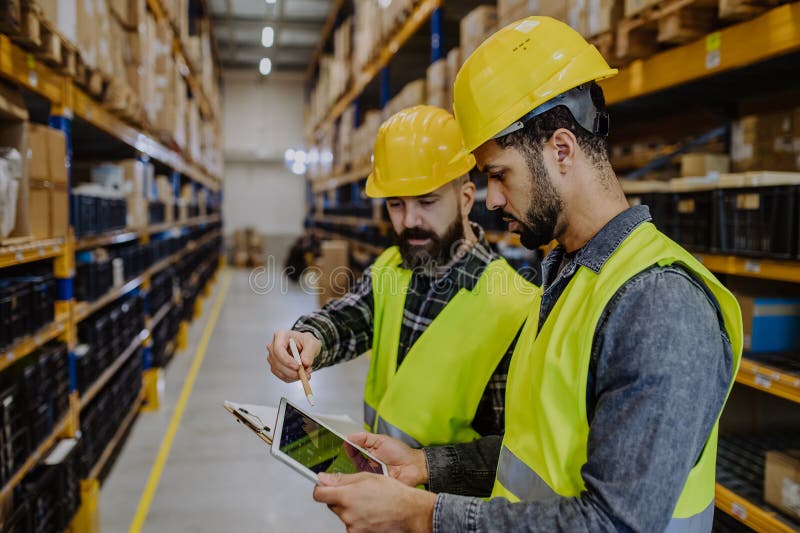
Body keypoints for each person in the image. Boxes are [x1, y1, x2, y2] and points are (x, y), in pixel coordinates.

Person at [311, 17, 743, 532]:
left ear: (561, 149)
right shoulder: (567, 277)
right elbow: (534, 454)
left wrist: (425, 515)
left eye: (498, 175)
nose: (490, 200)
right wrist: (427, 465)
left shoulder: (659, 304)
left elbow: (615, 523)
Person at [268, 105, 535, 448]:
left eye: (426, 202)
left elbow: (506, 452)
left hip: (438, 501)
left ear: (466, 199)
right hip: (379, 487)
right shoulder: (392, 265)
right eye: (396, 204)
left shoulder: (513, 307)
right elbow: (350, 317)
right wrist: (309, 339)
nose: (409, 221)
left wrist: (423, 474)